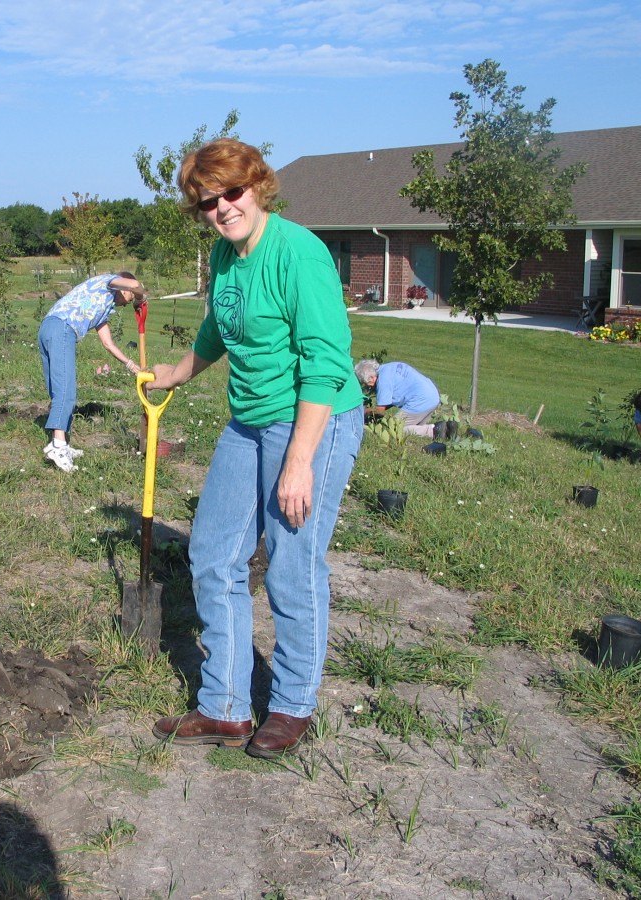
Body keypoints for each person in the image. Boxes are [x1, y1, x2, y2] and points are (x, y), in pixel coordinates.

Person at [146, 138, 364, 758]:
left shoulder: (299, 254)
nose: (222, 208)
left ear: (257, 186)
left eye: (231, 193)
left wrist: (299, 463)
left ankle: (293, 705)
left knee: (293, 567)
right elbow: (220, 328)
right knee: (213, 556)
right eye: (208, 201)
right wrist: (177, 371)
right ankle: (226, 708)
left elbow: (325, 361)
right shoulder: (223, 257)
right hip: (248, 422)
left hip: (313, 422)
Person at [38, 272, 146, 472]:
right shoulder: (107, 282)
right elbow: (135, 284)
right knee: (66, 392)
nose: (126, 304)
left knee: (58, 389)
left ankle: (61, 442)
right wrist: (140, 297)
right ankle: (58, 447)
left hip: (49, 326)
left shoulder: (102, 307)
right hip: (62, 327)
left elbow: (108, 344)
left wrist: (131, 365)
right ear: (124, 289)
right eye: (128, 298)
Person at [353, 359, 442, 436]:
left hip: (421, 400)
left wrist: (364, 411)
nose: (367, 387)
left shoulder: (383, 381)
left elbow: (380, 411)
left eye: (365, 383)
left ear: (372, 378)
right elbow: (388, 401)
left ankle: (435, 431)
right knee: (416, 427)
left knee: (394, 429)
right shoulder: (388, 368)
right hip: (433, 396)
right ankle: (443, 428)